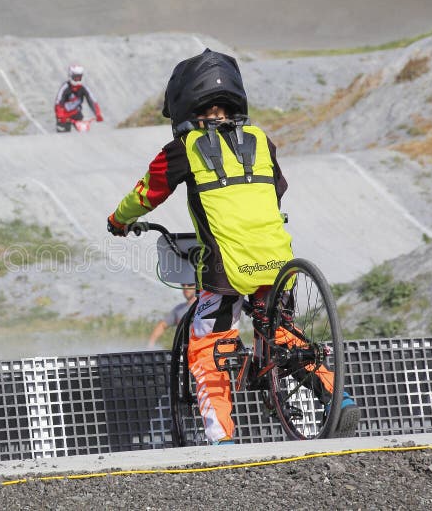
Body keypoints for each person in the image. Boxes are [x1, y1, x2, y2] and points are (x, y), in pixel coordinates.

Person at [106, 48, 360, 444]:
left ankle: (218, 437)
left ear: (184, 102)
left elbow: (146, 194)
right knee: (282, 336)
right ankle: (338, 398)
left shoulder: (182, 149)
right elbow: (276, 190)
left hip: (227, 267)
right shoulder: (262, 140)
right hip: (279, 261)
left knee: (209, 341)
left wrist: (118, 221)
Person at [54, 64, 103, 132]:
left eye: (79, 77)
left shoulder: (84, 87)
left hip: (76, 114)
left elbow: (92, 100)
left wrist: (97, 114)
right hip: (64, 116)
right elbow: (59, 103)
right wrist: (60, 115)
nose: (77, 80)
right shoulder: (65, 87)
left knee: (84, 132)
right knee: (63, 134)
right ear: (71, 76)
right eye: (75, 77)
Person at [147, 284, 196, 348]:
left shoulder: (204, 307)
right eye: (183, 285)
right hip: (184, 351)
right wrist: (150, 344)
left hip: (201, 351)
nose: (185, 287)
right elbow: (162, 325)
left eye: (190, 284)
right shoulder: (179, 309)